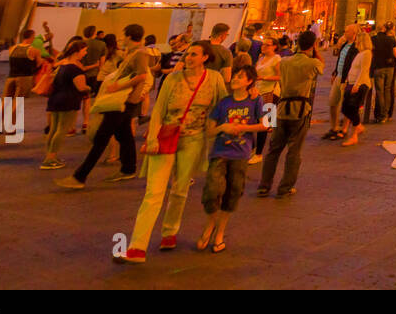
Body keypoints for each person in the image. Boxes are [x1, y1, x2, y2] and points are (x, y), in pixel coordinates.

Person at [115, 40, 227, 263]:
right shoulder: (173, 79)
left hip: (194, 140)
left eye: (194, 54)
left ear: (205, 57)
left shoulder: (214, 79)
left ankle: (169, 231)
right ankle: (137, 246)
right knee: (153, 193)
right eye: (187, 54)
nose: (188, 58)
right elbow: (158, 109)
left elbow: (223, 106)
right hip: (166, 137)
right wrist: (154, 136)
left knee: (180, 189)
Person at [60, 23, 153, 187]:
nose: (122, 39)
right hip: (125, 100)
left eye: (124, 35)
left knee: (102, 137)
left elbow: (142, 76)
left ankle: (80, 177)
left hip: (123, 100)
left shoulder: (139, 54)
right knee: (124, 135)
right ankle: (128, 169)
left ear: (130, 36)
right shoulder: (133, 53)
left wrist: (119, 87)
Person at [198, 64, 266, 253]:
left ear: (249, 82)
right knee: (212, 191)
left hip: (241, 154)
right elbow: (210, 130)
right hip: (220, 152)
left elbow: (267, 125)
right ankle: (210, 224)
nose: (235, 79)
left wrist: (243, 128)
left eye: (240, 76)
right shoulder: (223, 103)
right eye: (235, 75)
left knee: (233, 193)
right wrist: (223, 127)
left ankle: (220, 232)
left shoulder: (256, 100)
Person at [257, 29, 323, 198]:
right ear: (312, 45)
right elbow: (321, 65)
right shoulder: (311, 63)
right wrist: (315, 51)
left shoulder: (285, 61)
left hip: (281, 107)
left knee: (273, 150)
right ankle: (285, 187)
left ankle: (264, 185)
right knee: (294, 151)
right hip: (300, 109)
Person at [42, 38, 90, 169]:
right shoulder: (75, 69)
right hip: (68, 101)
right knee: (62, 130)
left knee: (53, 129)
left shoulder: (61, 64)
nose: (85, 53)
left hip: (55, 99)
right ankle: (50, 159)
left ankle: (50, 155)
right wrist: (90, 88)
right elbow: (81, 87)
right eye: (84, 51)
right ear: (77, 51)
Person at [324, 24, 361, 141]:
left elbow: (353, 66)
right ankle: (334, 127)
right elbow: (341, 60)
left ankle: (344, 129)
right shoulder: (345, 44)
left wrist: (349, 81)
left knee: (346, 105)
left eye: (347, 31)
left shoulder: (356, 48)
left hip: (347, 79)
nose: (344, 33)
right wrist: (335, 72)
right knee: (332, 102)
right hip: (338, 76)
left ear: (353, 33)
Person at [340, 28, 374, 146]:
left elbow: (364, 70)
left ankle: (355, 132)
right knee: (346, 108)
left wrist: (357, 84)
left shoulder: (367, 53)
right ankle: (357, 129)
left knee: (351, 108)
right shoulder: (361, 53)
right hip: (352, 83)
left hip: (360, 84)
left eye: (358, 40)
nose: (356, 42)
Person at [252, 35, 281, 163]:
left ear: (274, 46)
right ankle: (253, 148)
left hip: (270, 93)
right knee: (256, 121)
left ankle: (259, 154)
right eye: (263, 44)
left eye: (267, 44)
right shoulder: (261, 58)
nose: (263, 46)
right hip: (258, 92)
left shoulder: (277, 59)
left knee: (264, 123)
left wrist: (263, 78)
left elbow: (280, 77)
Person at [370, 22, 396, 123]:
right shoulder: (391, 39)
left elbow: (371, 52)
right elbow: (395, 54)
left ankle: (381, 114)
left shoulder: (373, 39)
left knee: (379, 91)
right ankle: (386, 114)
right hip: (390, 67)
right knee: (387, 90)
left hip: (378, 67)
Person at [4, 29, 40, 104]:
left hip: (11, 77)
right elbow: (38, 64)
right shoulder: (34, 50)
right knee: (17, 103)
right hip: (24, 78)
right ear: (32, 36)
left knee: (6, 102)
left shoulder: (12, 48)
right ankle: (13, 116)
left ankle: (2, 115)